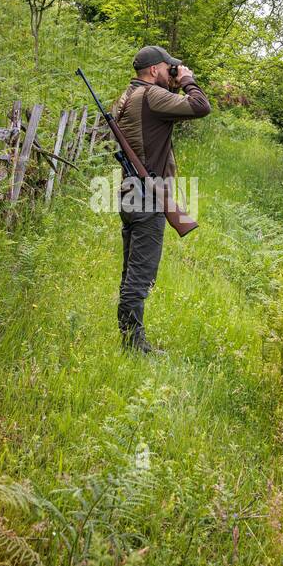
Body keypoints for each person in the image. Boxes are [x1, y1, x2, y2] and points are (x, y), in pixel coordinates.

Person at [108, 45, 211, 353]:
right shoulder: (152, 96)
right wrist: (188, 81)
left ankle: (129, 339)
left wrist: (175, 78)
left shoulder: (126, 98)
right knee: (140, 277)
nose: (173, 73)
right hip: (147, 198)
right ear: (154, 70)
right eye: (169, 69)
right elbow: (201, 106)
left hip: (130, 193)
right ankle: (134, 346)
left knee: (131, 274)